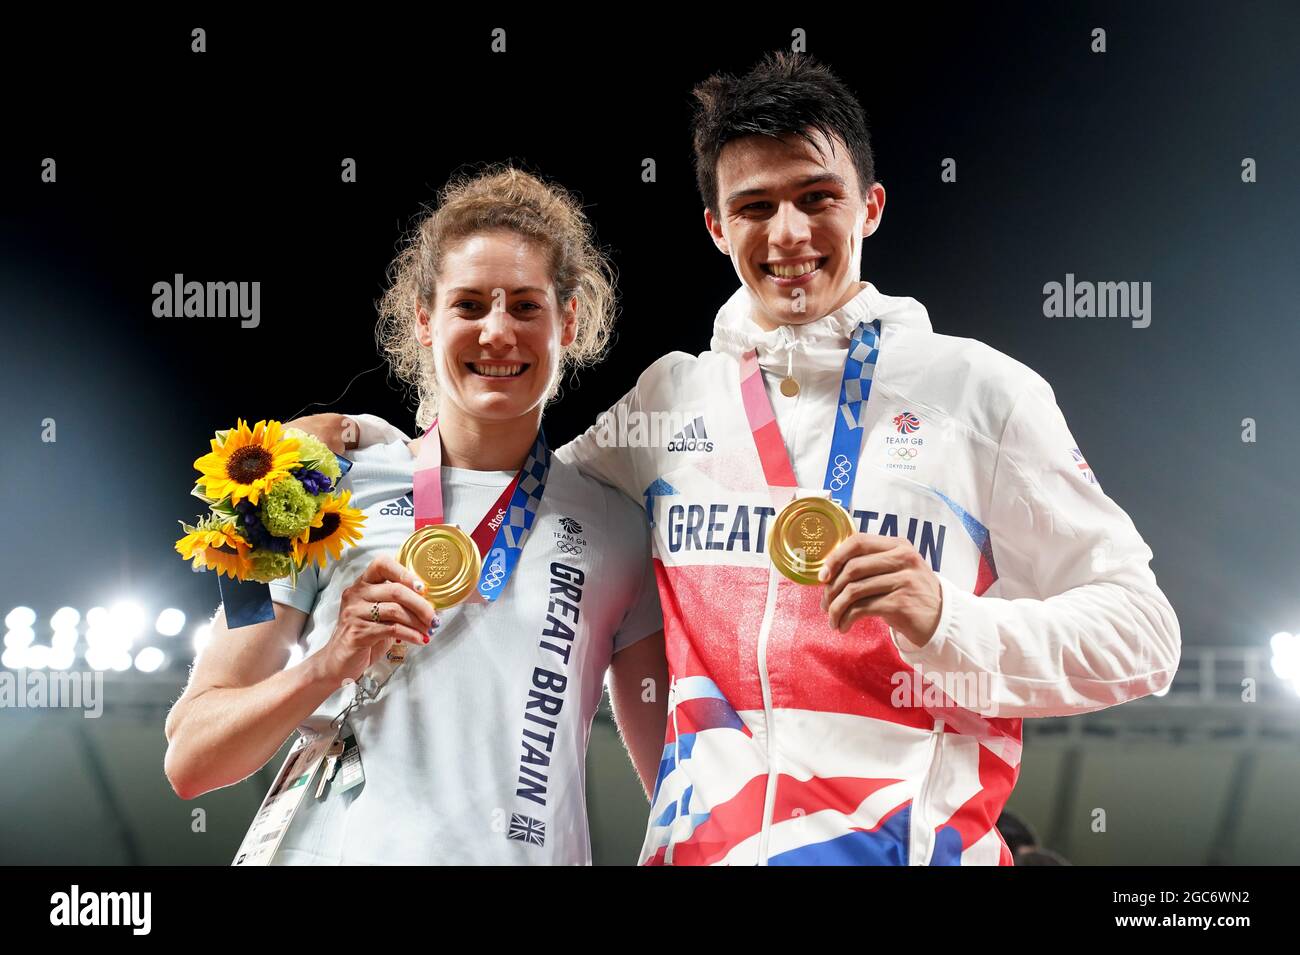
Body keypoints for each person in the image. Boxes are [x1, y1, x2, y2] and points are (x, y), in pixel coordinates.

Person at [307, 53, 1181, 866]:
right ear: (718, 228)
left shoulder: (981, 394)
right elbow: (522, 488)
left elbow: (1144, 635)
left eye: (817, 197)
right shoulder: (672, 400)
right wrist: (371, 447)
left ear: (870, 206)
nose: (789, 231)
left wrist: (945, 617)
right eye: (756, 207)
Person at [164, 166, 669, 865]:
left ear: (569, 321)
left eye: (526, 306)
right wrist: (328, 664)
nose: (498, 331)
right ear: (426, 319)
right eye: (469, 305)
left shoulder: (617, 528)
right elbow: (191, 755)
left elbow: (675, 790)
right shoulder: (314, 489)